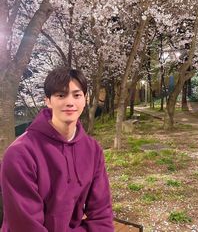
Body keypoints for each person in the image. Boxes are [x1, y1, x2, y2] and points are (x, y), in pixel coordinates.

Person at [1, 67, 114, 232]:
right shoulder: (20, 154)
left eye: (77, 95)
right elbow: (26, 227)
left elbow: (102, 215)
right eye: (61, 95)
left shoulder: (92, 150)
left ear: (85, 99)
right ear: (48, 100)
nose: (70, 102)